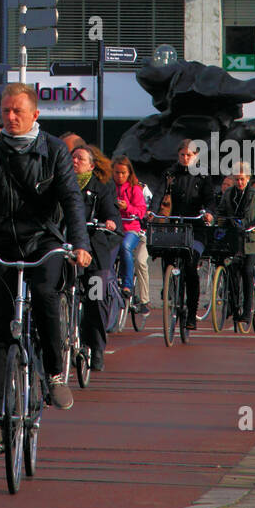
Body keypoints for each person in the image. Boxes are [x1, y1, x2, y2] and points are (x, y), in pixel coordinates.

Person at [0, 83, 92, 455]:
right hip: (2, 244)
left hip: (44, 242)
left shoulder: (53, 150)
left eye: (17, 111)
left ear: (35, 114)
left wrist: (80, 244)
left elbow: (71, 199)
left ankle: (53, 373)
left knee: (47, 293)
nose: (10, 118)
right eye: (5, 111)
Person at [151, 139, 214, 329]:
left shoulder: (203, 175)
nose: (185, 158)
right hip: (175, 226)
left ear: (196, 156)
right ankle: (170, 286)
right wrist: (151, 211)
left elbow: (210, 198)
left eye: (189, 155)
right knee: (166, 254)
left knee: (190, 264)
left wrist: (209, 213)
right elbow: (159, 194)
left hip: (196, 228)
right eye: (182, 155)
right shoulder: (170, 173)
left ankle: (191, 314)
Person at [71, 145, 122, 370]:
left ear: (91, 165)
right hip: (67, 251)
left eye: (80, 158)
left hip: (93, 251)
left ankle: (96, 347)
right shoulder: (61, 185)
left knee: (96, 296)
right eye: (72, 157)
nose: (74, 161)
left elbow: (112, 213)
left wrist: (110, 221)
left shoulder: (100, 188)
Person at [217, 162, 255, 325]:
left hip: (251, 239)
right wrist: (220, 223)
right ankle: (234, 306)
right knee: (232, 272)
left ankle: (247, 311)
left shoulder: (254, 194)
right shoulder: (229, 193)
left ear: (248, 179)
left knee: (247, 272)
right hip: (233, 238)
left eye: (242, 179)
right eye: (237, 179)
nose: (240, 183)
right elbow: (221, 212)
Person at [111, 154, 148, 309]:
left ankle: (127, 285)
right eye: (117, 173)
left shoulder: (135, 189)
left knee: (126, 247)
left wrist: (128, 208)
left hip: (131, 229)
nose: (120, 176)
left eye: (123, 173)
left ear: (129, 173)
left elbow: (141, 211)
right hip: (113, 229)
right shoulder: (109, 187)